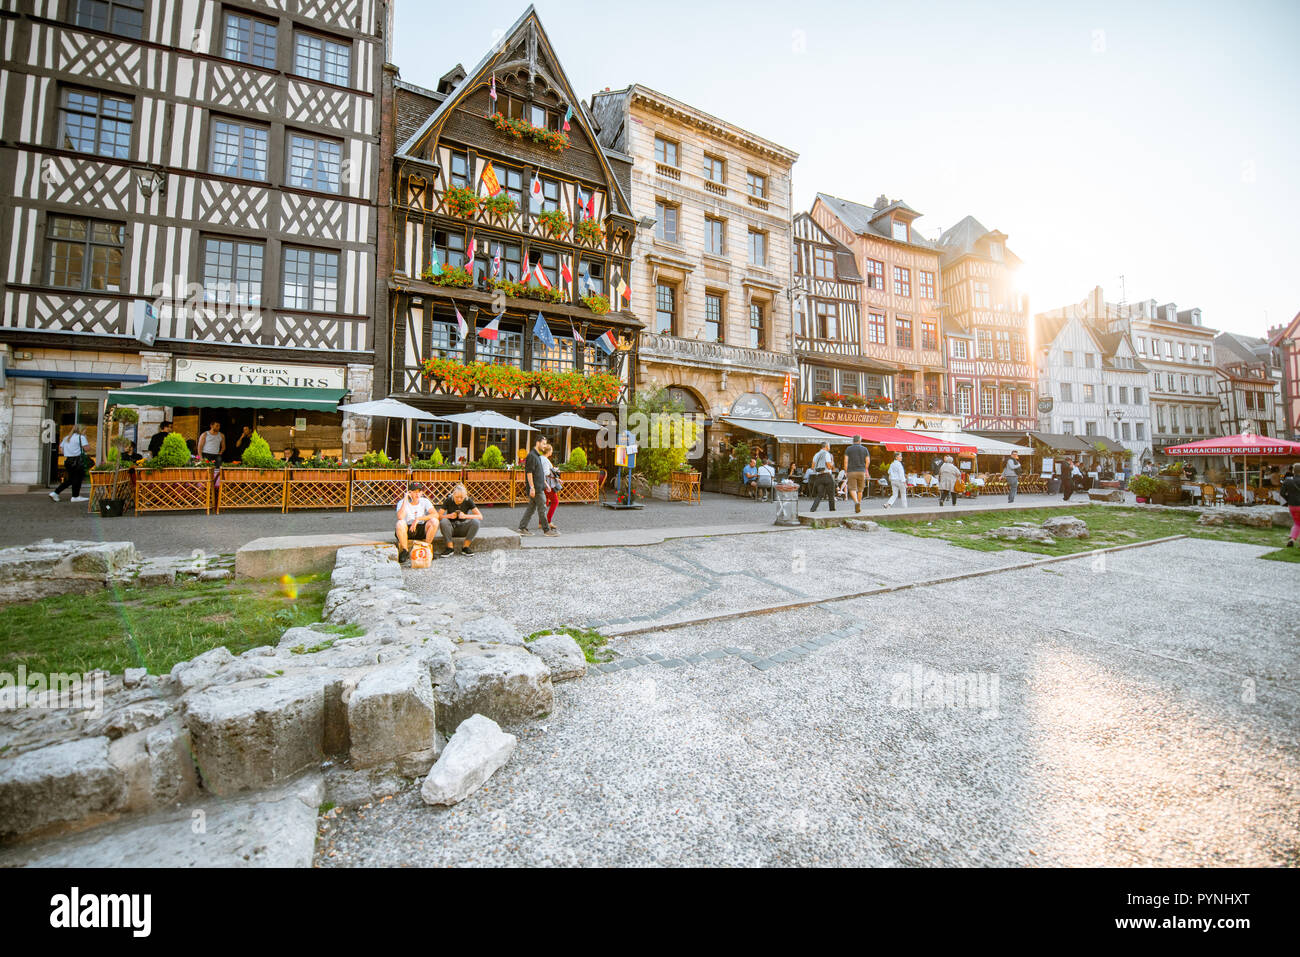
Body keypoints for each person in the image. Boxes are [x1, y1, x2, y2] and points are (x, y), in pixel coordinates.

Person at [518, 434, 557, 536]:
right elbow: (529, 473)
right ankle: (547, 530)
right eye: (543, 444)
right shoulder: (531, 455)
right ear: (538, 443)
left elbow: (539, 473)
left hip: (539, 486)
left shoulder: (537, 455)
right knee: (542, 508)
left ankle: (522, 528)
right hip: (536, 488)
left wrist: (545, 484)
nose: (545, 446)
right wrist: (532, 488)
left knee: (531, 508)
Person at [394, 484, 438, 564]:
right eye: (414, 492)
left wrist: (418, 519)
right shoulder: (402, 502)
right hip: (407, 529)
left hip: (420, 527)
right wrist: (405, 500)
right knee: (400, 523)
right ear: (409, 492)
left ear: (422, 493)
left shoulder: (425, 501)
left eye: (419, 492)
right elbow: (400, 516)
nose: (417, 494)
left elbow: (435, 514)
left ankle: (427, 548)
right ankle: (405, 550)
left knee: (434, 521)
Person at [437, 483, 483, 556]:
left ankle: (466, 547)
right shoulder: (448, 500)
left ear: (465, 496)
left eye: (461, 497)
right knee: (443, 521)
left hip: (463, 527)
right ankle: (450, 548)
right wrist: (449, 516)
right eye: (457, 497)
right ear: (453, 495)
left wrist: (465, 516)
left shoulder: (468, 500)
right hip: (450, 528)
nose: (459, 499)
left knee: (476, 522)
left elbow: (480, 516)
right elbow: (438, 516)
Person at [50, 425, 91, 503]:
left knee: (72, 479)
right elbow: (87, 449)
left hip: (68, 461)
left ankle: (60, 493)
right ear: (81, 430)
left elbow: (61, 448)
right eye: (85, 430)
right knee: (77, 479)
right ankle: (74, 496)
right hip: (78, 461)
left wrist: (69, 452)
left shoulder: (67, 438)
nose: (85, 431)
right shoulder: (81, 437)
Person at [844, 435, 870, 514]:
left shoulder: (848, 449)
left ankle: (856, 502)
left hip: (851, 471)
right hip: (861, 471)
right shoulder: (865, 449)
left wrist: (846, 470)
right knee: (860, 489)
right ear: (860, 440)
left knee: (852, 489)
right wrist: (864, 469)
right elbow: (868, 461)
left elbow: (845, 461)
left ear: (853, 441)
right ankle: (859, 503)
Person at [808, 441, 837, 512]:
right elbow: (829, 466)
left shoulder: (816, 455)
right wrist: (832, 462)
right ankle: (832, 510)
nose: (829, 448)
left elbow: (812, 467)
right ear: (826, 446)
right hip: (827, 475)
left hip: (818, 476)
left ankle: (813, 509)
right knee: (831, 494)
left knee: (819, 494)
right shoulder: (827, 454)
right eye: (829, 446)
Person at [541, 441, 561, 529]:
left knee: (545, 502)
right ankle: (548, 521)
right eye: (551, 450)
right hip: (547, 484)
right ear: (549, 451)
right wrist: (554, 471)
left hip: (543, 484)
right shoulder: (545, 460)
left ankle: (541, 522)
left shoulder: (541, 458)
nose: (552, 452)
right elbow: (545, 473)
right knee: (555, 501)